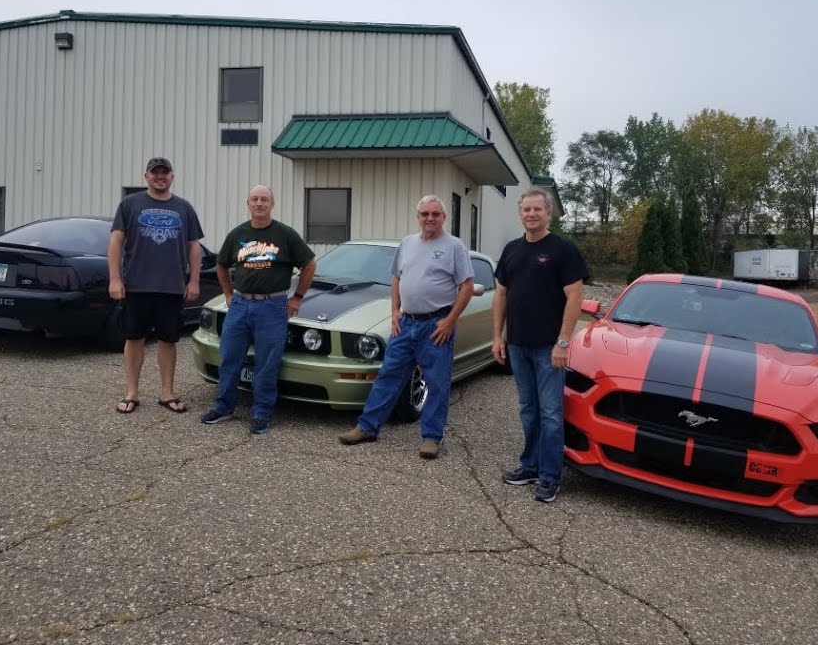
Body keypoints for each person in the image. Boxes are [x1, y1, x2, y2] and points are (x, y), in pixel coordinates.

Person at [338, 195, 475, 458]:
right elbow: (397, 279)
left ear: (444, 217)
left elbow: (467, 286)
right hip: (406, 324)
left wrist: (450, 320)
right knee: (388, 377)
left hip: (436, 325)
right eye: (425, 214)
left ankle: (431, 438)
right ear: (418, 217)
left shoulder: (454, 246)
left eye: (435, 214)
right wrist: (394, 312)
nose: (430, 218)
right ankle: (367, 427)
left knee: (437, 383)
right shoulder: (408, 243)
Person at [492, 187, 589, 503]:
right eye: (526, 209)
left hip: (549, 348)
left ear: (549, 213)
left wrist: (563, 342)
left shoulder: (563, 250)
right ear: (520, 214)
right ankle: (530, 466)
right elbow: (501, 294)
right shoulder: (512, 250)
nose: (531, 214)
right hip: (518, 345)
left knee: (550, 413)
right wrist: (497, 336)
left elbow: (575, 297)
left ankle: (550, 475)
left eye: (537, 209)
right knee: (528, 409)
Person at [200, 185, 316, 434]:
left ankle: (261, 412)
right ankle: (223, 407)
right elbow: (221, 264)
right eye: (255, 199)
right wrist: (228, 294)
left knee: (267, 362)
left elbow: (309, 264)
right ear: (248, 203)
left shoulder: (285, 234)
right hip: (240, 304)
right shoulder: (237, 234)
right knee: (229, 357)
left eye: (264, 199)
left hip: (272, 306)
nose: (259, 203)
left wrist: (297, 298)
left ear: (272, 204)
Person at [108, 156, 205, 415]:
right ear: (146, 176)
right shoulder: (129, 205)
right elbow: (115, 242)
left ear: (172, 176)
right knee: (134, 339)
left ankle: (167, 393)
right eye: (155, 173)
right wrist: (115, 279)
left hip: (171, 288)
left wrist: (194, 280)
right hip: (136, 287)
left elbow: (194, 246)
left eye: (165, 173)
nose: (160, 177)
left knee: (168, 340)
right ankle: (132, 393)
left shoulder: (184, 208)